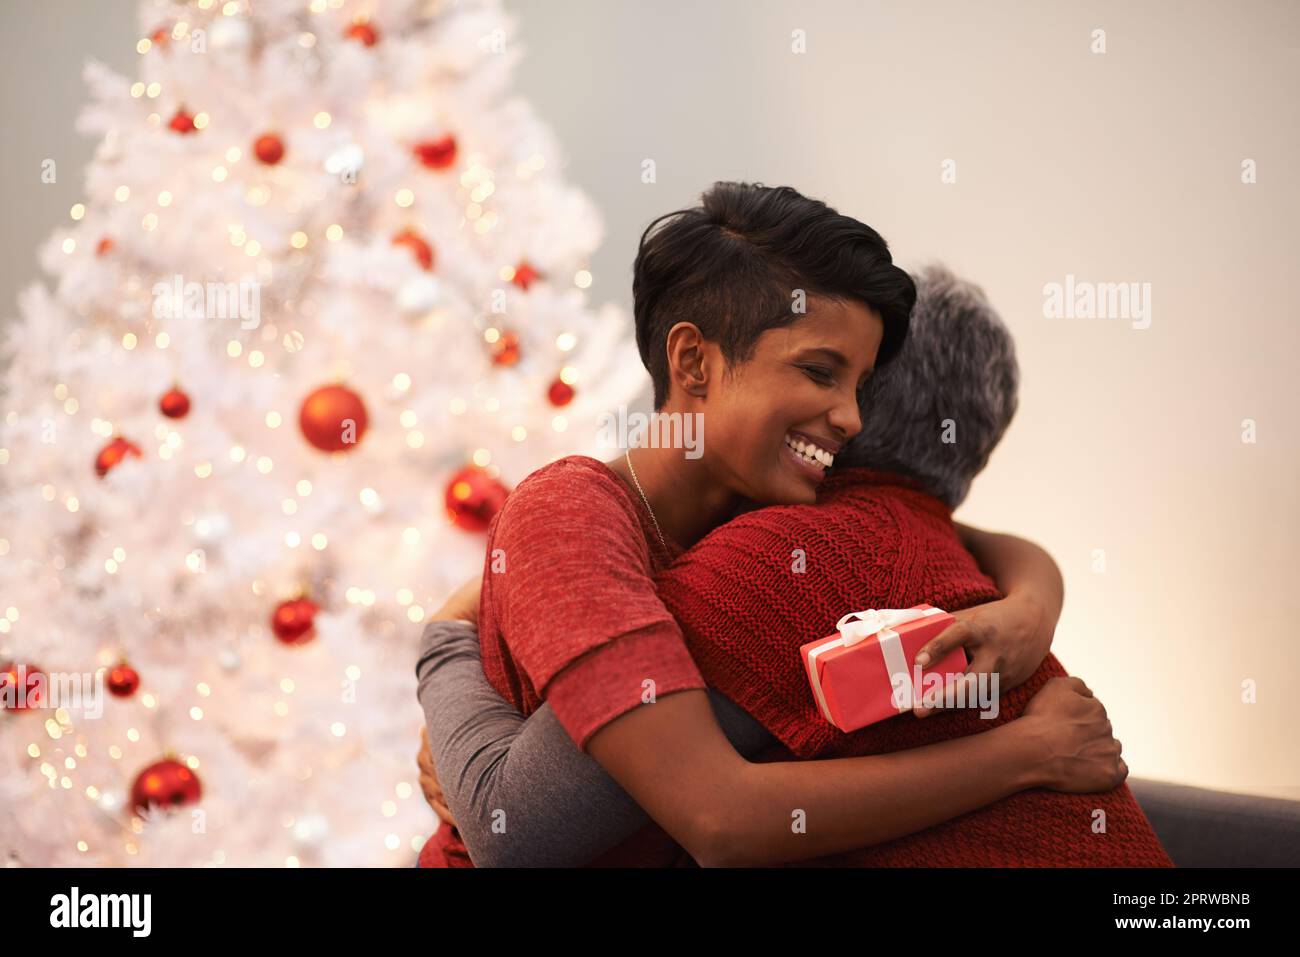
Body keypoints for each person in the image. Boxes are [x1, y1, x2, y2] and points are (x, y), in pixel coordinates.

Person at [415, 185, 1133, 867]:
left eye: (859, 386)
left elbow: (939, 530)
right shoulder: (571, 514)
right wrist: (442, 644)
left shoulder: (764, 508)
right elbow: (709, 817)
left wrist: (1032, 602)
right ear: (693, 360)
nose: (852, 417)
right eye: (821, 373)